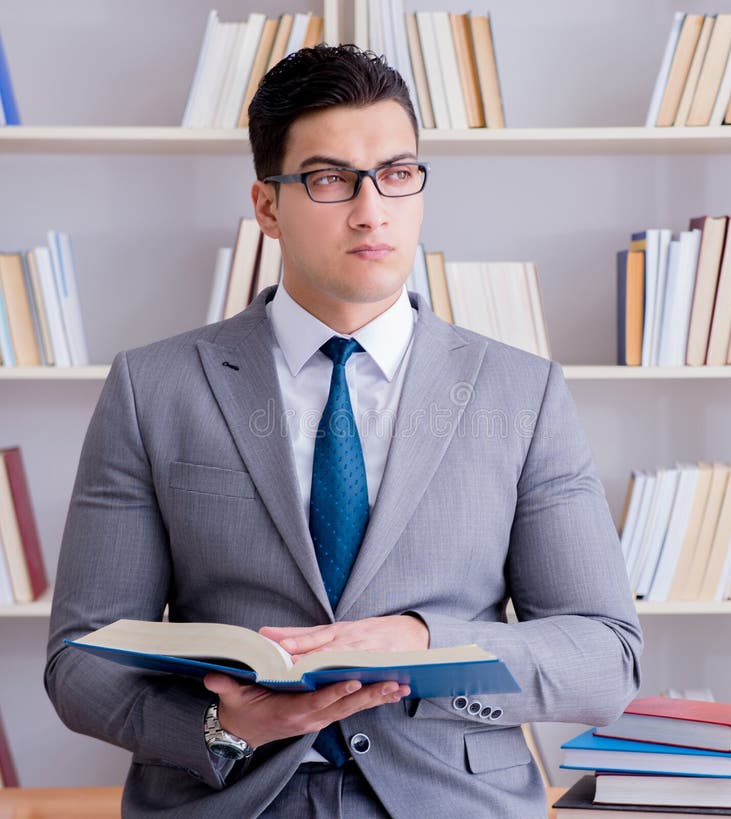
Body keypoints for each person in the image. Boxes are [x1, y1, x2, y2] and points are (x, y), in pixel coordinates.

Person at [45, 44, 642, 818]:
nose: (372, 210)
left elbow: (605, 655)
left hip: (449, 800)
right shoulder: (152, 387)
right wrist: (221, 723)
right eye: (330, 179)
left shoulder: (521, 392)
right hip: (224, 796)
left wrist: (425, 642)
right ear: (267, 204)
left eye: (397, 173)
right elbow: (77, 658)